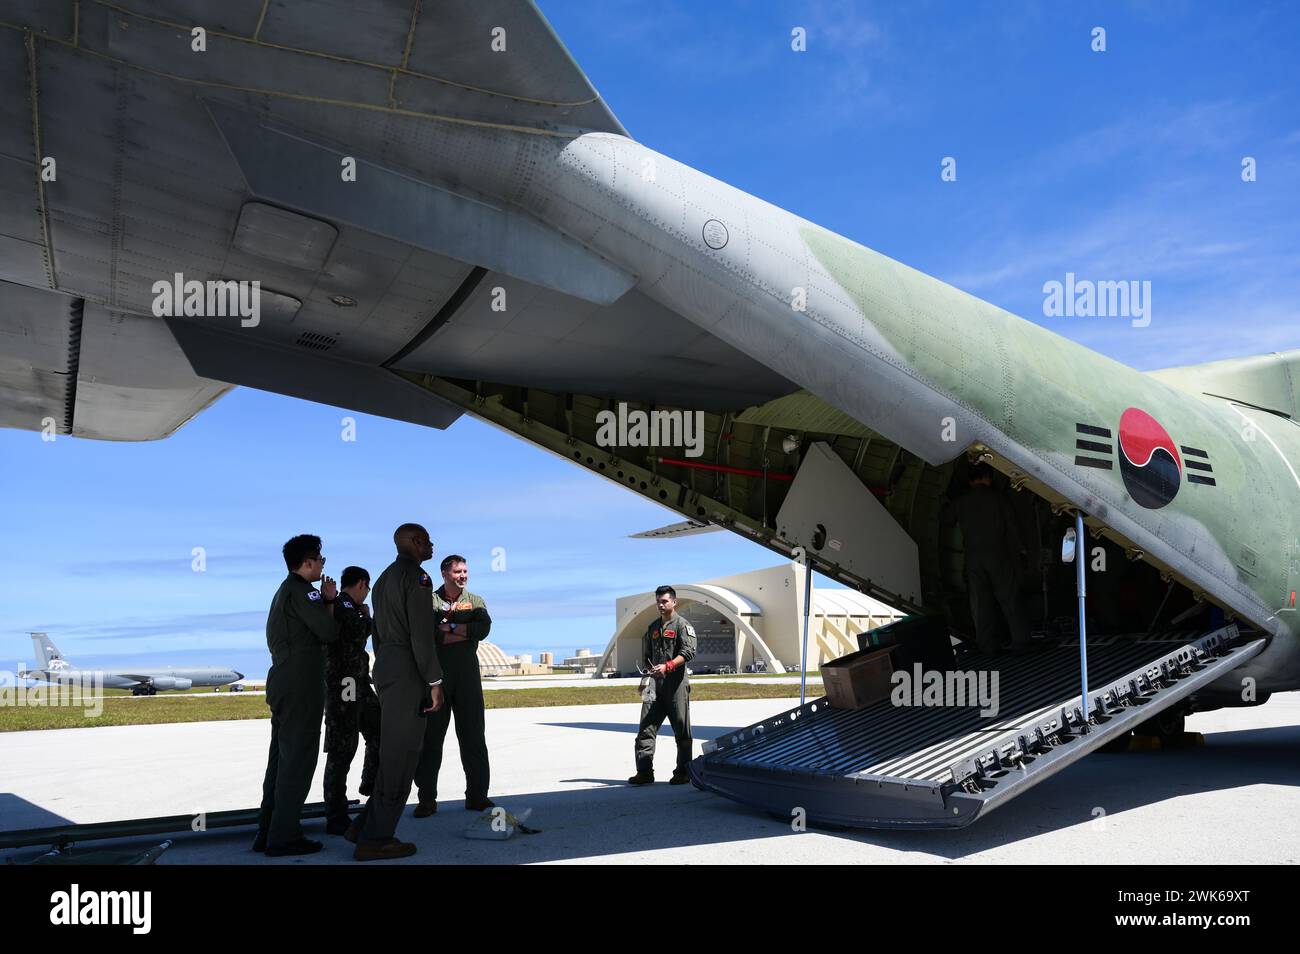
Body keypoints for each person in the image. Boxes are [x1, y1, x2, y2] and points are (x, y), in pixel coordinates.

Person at [350, 523, 444, 862]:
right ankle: (377, 839)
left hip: (387, 665)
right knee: (401, 756)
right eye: (428, 541)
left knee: (393, 750)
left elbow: (377, 631)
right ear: (415, 543)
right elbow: (421, 635)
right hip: (408, 671)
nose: (432, 546)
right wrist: (434, 682)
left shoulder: (384, 578)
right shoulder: (418, 578)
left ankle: (363, 826)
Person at [254, 534, 340, 856]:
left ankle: (268, 830)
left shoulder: (284, 591)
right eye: (320, 560)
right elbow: (329, 632)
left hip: (284, 680)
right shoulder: (305, 593)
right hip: (301, 684)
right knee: (299, 761)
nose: (322, 565)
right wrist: (329, 601)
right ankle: (285, 836)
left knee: (280, 760)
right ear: (307, 563)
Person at [413, 554, 494, 815]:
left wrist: (449, 629)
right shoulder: (430, 600)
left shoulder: (475, 601)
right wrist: (461, 631)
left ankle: (477, 796)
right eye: (458, 571)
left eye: (465, 571)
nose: (463, 575)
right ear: (445, 573)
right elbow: (428, 633)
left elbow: (483, 629)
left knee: (473, 737)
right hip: (438, 679)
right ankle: (427, 799)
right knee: (431, 740)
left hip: (468, 678)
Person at [322, 565, 381, 836]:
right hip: (345, 685)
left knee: (379, 728)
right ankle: (336, 814)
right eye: (366, 588)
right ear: (360, 584)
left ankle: (370, 783)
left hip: (357, 682)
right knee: (342, 748)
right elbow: (357, 632)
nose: (367, 594)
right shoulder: (344, 604)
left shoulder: (345, 605)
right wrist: (368, 618)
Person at [949, 462, 1031, 655]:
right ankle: (1021, 642)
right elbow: (1012, 525)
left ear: (970, 481)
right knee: (1009, 599)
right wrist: (1021, 550)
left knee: (980, 605)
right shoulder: (997, 498)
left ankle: (986, 646)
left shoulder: (961, 502)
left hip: (973, 559)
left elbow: (946, 520)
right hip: (998, 556)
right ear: (988, 477)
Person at [629, 585, 697, 786]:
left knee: (682, 732)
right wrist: (644, 681)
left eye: (664, 601)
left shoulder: (682, 626)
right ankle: (644, 772)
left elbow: (688, 652)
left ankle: (683, 772)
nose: (660, 604)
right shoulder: (653, 628)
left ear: (674, 602)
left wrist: (668, 666)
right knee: (645, 730)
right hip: (654, 687)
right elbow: (647, 658)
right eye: (658, 601)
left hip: (675, 686)